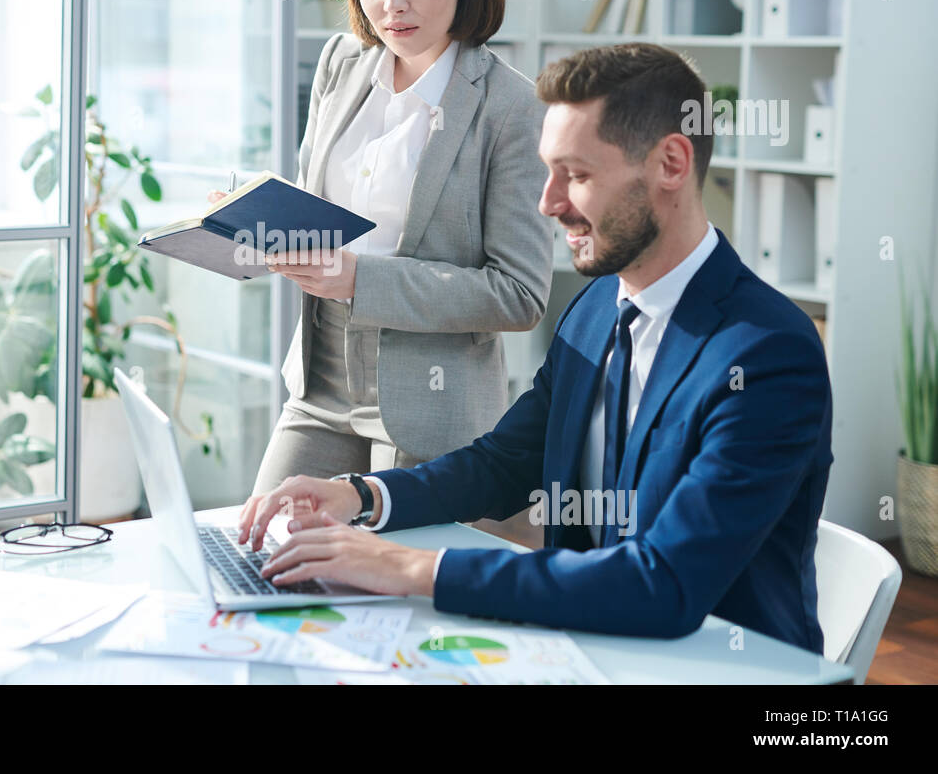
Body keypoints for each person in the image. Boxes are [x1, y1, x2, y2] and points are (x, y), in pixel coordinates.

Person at [237, 43, 833, 655]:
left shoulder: (765, 354)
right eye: (549, 172)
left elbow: (665, 583)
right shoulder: (600, 307)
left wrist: (410, 569)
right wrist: (361, 495)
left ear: (672, 164)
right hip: (589, 645)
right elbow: (506, 462)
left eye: (576, 175)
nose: (548, 203)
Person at [223, 0, 553, 495]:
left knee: (388, 587)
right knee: (262, 554)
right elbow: (313, 199)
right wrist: (257, 220)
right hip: (321, 387)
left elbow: (519, 293)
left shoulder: (513, 107)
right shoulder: (340, 62)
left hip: (430, 407)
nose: (391, 5)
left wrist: (359, 279)